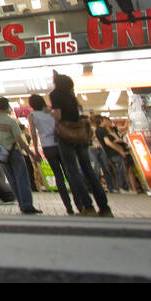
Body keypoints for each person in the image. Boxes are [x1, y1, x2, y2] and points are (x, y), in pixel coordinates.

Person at [49, 72, 111, 217]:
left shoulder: (55, 94)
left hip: (66, 135)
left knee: (72, 171)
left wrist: (50, 113)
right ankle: (104, 207)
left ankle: (88, 207)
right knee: (88, 169)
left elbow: (58, 116)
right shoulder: (72, 96)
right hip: (80, 134)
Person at [0, 97, 41, 214]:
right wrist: (31, 153)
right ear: (8, 106)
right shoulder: (11, 121)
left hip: (1, 153)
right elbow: (20, 140)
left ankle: (21, 204)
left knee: (12, 180)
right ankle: (27, 205)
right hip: (14, 152)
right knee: (22, 179)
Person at [27, 93, 75, 214]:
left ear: (31, 105)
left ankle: (68, 206)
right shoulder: (51, 112)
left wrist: (36, 151)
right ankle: (79, 202)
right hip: (60, 143)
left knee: (58, 176)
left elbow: (33, 134)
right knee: (69, 173)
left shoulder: (32, 116)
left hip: (48, 147)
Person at [94, 116, 130, 192]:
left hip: (108, 153)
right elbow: (108, 142)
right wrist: (120, 150)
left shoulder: (97, 130)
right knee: (120, 170)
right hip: (113, 152)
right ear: (102, 121)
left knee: (115, 170)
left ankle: (118, 187)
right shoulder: (103, 130)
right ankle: (123, 187)